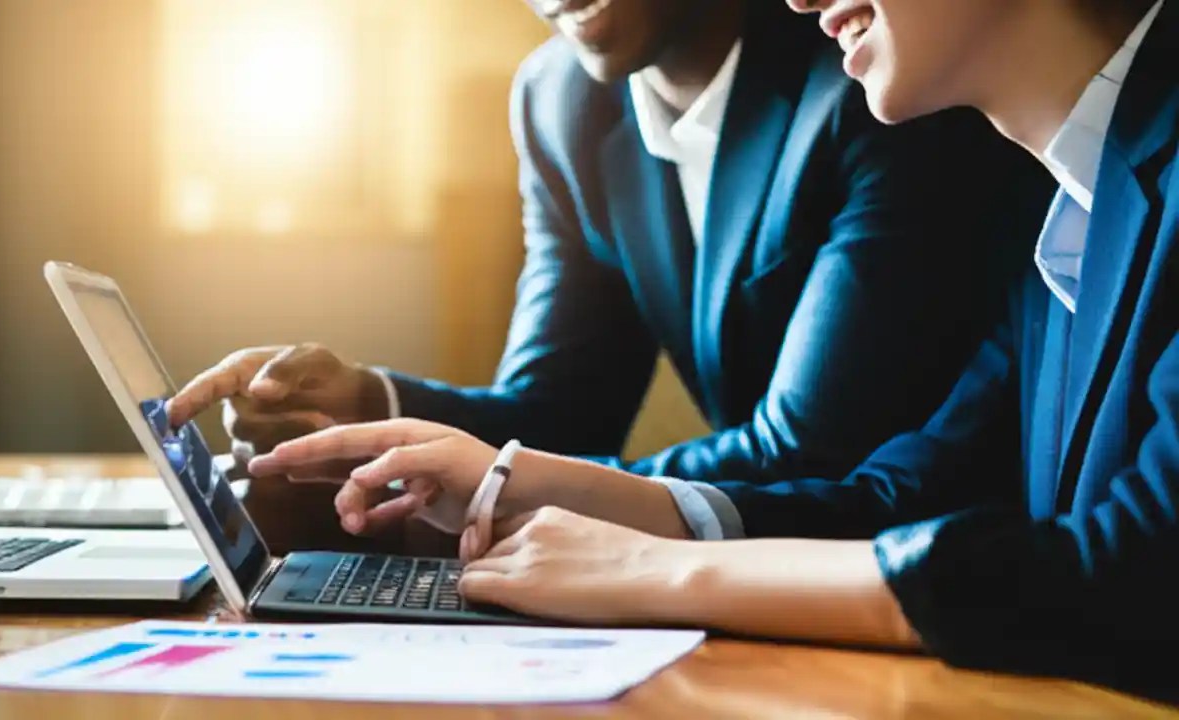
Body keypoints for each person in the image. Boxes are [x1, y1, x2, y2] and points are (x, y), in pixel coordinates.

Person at [241, 0, 1179, 694]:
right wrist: (523, 484)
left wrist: (660, 571)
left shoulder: (911, 128)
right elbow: (905, 490)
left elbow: (1130, 574)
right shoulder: (1066, 214)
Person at [166, 0, 1050, 493]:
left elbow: (812, 449)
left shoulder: (876, 68)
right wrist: (366, 410)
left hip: (949, 559)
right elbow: (559, 409)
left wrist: (492, 489)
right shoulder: (560, 101)